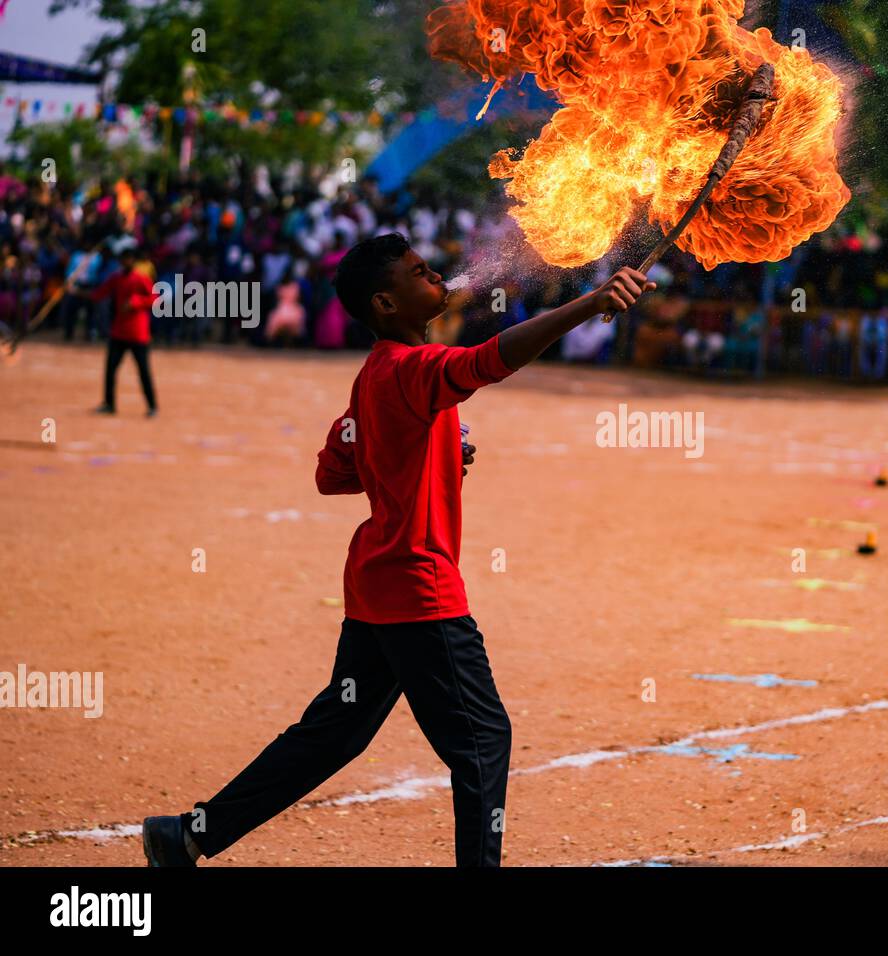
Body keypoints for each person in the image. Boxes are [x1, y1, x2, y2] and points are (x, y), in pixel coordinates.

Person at [141, 233, 654, 867]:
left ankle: (187, 836)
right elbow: (488, 360)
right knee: (483, 741)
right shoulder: (415, 369)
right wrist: (588, 303)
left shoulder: (375, 376)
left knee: (335, 735)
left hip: (376, 589)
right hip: (419, 590)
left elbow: (335, 471)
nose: (435, 274)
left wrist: (428, 451)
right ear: (386, 303)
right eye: (418, 272)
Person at [89, 241, 158, 417]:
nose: (125, 262)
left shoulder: (141, 279)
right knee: (110, 369)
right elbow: (100, 293)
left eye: (128, 259)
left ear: (133, 261)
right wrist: (77, 292)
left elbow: (155, 298)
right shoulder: (116, 278)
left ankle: (152, 406)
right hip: (119, 331)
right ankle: (109, 404)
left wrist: (136, 302)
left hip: (137, 333)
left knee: (143, 371)